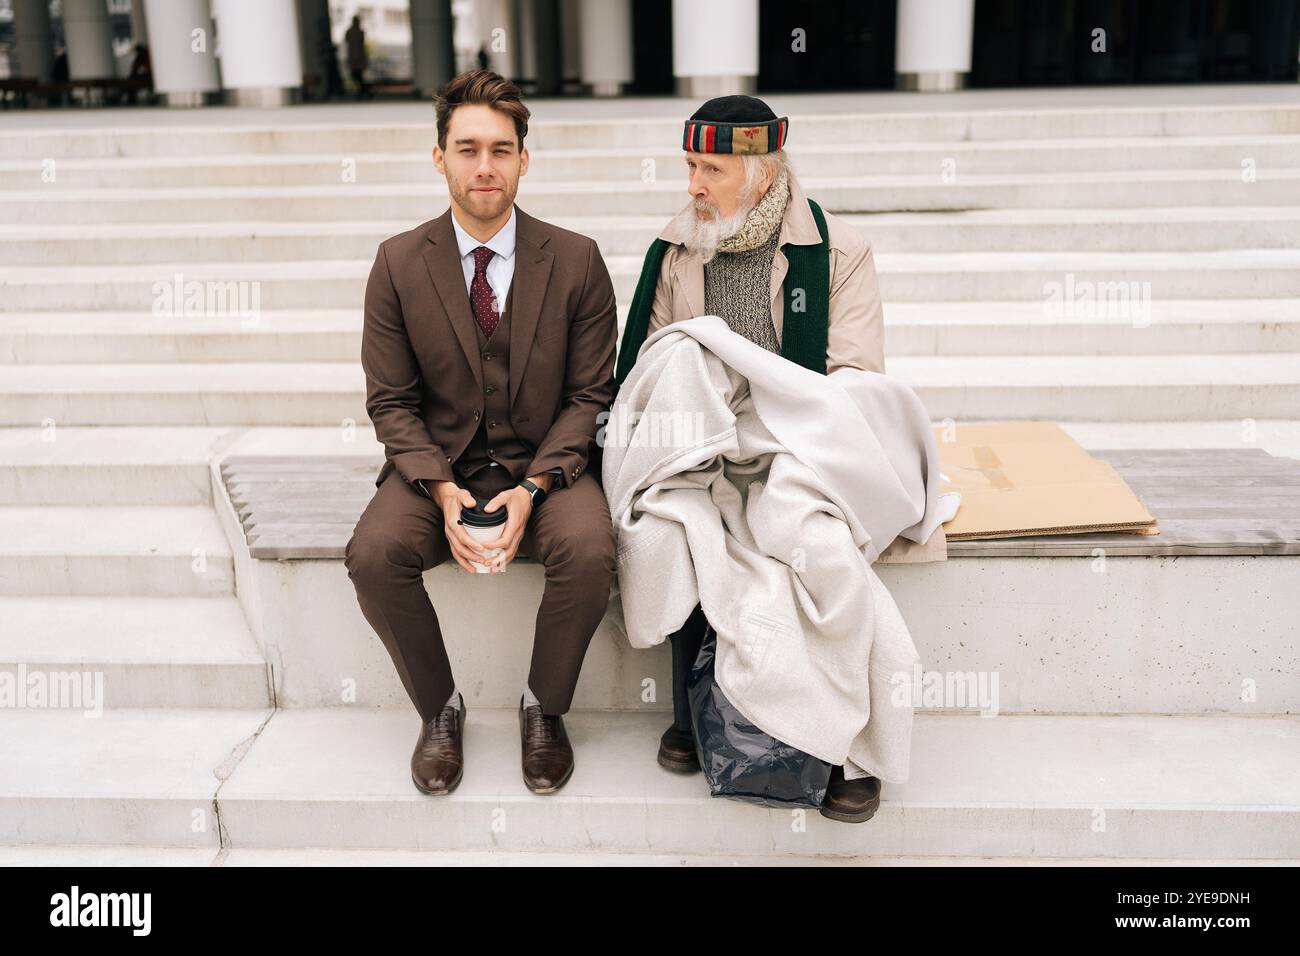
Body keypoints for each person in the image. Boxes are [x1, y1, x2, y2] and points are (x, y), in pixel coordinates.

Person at [615, 94, 889, 824]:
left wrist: (772, 430)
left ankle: (841, 742)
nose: (693, 185)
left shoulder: (839, 251)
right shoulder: (676, 253)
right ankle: (696, 713)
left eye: (711, 168)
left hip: (799, 451)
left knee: (818, 547)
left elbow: (854, 382)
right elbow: (653, 370)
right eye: (690, 166)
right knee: (674, 524)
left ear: (762, 177)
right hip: (703, 445)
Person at [344, 70, 618, 797]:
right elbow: (391, 402)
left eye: (501, 149)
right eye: (468, 149)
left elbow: (592, 394)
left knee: (591, 551)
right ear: (439, 158)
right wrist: (438, 491)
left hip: (545, 467)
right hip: (439, 466)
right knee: (373, 556)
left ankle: (544, 708)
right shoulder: (398, 263)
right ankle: (439, 709)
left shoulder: (578, 259)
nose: (485, 166)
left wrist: (534, 488)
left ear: (525, 159)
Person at [344, 15, 369, 99]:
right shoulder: (354, 32)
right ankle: (363, 90)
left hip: (357, 56)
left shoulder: (356, 32)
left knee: (358, 76)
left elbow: (360, 44)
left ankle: (362, 91)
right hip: (355, 56)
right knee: (356, 76)